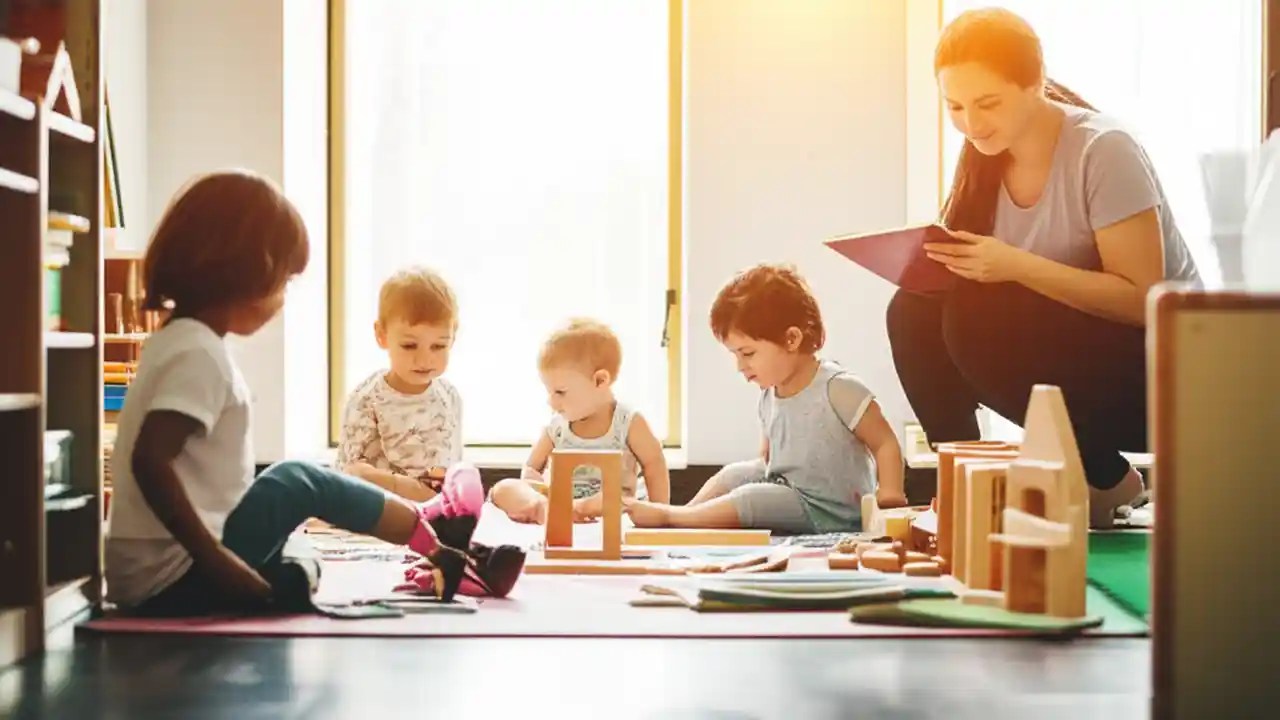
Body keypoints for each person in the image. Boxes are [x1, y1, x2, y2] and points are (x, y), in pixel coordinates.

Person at [103, 170, 484, 616]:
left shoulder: (177, 340)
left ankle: (397, 543)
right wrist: (218, 561)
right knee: (295, 480)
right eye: (283, 283)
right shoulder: (196, 352)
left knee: (301, 570)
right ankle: (431, 536)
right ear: (245, 273)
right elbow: (149, 460)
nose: (283, 299)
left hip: (156, 577)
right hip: (176, 575)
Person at [888, 8, 1200, 527]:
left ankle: (1103, 475)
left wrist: (1014, 264)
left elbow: (1145, 302)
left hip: (1163, 372)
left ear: (1035, 83)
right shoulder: (985, 156)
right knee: (912, 310)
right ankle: (968, 483)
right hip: (1079, 370)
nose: (971, 123)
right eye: (955, 106)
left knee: (974, 310)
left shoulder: (1104, 148)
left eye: (987, 103)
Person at [625, 264, 905, 534]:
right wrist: (741, 476)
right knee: (733, 475)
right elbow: (768, 461)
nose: (740, 366)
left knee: (753, 497)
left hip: (832, 512)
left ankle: (675, 518)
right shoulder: (769, 395)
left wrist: (890, 492)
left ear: (791, 339)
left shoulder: (838, 388)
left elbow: (884, 442)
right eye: (735, 355)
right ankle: (686, 516)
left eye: (747, 354)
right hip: (787, 494)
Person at [489, 318, 672, 524]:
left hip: (608, 508)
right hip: (559, 504)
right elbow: (532, 467)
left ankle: (575, 510)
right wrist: (536, 490)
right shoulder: (557, 426)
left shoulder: (628, 422)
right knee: (504, 487)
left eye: (560, 392)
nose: (551, 401)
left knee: (616, 498)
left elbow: (654, 464)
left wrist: (661, 513)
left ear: (600, 381)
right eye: (549, 391)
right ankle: (543, 511)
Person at [336, 266, 464, 502]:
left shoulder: (449, 397)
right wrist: (405, 487)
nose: (424, 360)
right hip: (380, 508)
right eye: (409, 345)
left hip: (435, 505)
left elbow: (450, 469)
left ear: (453, 337)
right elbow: (353, 474)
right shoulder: (366, 399)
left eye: (438, 346)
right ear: (382, 335)